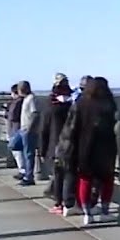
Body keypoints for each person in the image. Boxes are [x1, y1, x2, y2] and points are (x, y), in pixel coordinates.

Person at [57, 76, 119, 224]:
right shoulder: (109, 104)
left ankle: (87, 214)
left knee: (85, 179)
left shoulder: (80, 103)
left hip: (84, 147)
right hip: (106, 148)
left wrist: (67, 147)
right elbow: (114, 124)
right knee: (107, 180)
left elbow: (70, 127)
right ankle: (104, 211)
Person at [44, 75, 77, 213]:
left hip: (55, 143)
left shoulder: (51, 104)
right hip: (71, 142)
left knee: (58, 174)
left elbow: (44, 128)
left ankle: (58, 203)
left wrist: (43, 148)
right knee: (69, 174)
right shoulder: (73, 103)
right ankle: (68, 203)